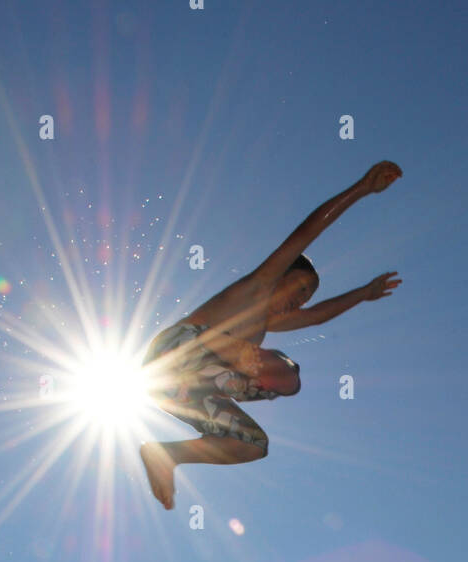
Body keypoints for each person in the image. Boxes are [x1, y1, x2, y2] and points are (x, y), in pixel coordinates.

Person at [139, 160, 402, 509]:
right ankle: (224, 350)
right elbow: (306, 234)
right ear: (281, 275)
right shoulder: (256, 287)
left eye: (307, 296)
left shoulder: (270, 324)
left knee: (256, 438)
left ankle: (167, 455)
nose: (302, 300)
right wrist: (361, 189)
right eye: (301, 288)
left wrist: (364, 294)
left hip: (180, 391)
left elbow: (316, 317)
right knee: (249, 356)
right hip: (172, 355)